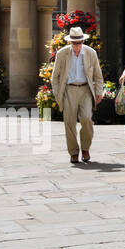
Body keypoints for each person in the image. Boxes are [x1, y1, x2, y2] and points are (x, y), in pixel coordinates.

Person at [51, 26, 105, 165]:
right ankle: (74, 152)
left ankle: (85, 148)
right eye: (75, 43)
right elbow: (55, 76)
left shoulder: (91, 53)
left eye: (80, 42)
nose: (77, 45)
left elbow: (98, 76)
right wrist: (58, 94)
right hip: (68, 90)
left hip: (86, 89)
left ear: (83, 41)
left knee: (86, 119)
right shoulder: (62, 54)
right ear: (70, 42)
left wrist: (99, 92)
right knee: (69, 122)